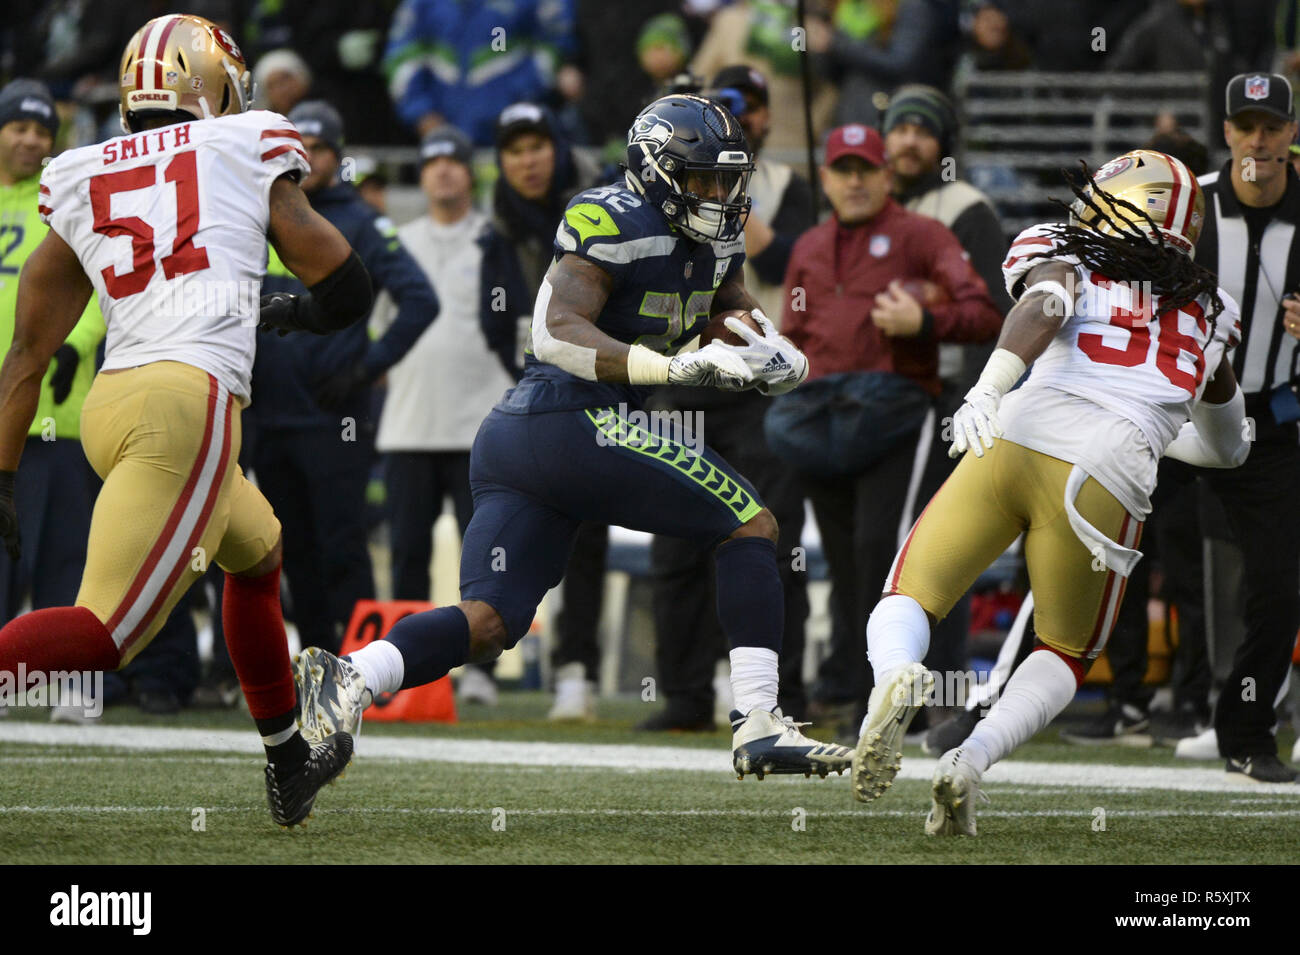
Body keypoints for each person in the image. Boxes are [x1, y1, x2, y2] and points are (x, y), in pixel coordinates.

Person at [294, 93, 856, 781]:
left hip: (523, 442)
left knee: (493, 621)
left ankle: (349, 674)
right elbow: (554, 331)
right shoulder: (609, 218)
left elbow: (729, 312)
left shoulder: (717, 239)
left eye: (726, 179)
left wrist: (773, 350)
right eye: (703, 178)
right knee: (749, 521)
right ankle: (760, 722)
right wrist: (668, 365)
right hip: (568, 419)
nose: (719, 194)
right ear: (654, 172)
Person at [0, 14, 373, 827]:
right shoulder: (244, 141)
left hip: (115, 403)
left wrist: (1, 477)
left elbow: (26, 352)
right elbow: (349, 285)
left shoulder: (80, 170)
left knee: (257, 552)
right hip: (189, 403)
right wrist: (293, 309)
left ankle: (287, 757)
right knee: (102, 639)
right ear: (213, 81)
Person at [852, 149, 1248, 834]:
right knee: (1063, 650)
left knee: (910, 592)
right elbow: (1226, 446)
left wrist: (986, 389)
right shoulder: (1213, 309)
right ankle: (969, 762)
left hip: (1017, 429)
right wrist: (1152, 430)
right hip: (1109, 468)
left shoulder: (1066, 248)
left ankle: (894, 674)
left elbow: (1049, 298)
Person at [776, 123, 1001, 743]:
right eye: (842, 170)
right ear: (824, 178)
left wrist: (924, 319)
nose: (854, 181)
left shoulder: (922, 235)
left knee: (888, 552)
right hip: (823, 416)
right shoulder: (811, 246)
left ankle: (916, 698)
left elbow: (985, 313)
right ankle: (866, 698)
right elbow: (793, 335)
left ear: (885, 176)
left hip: (898, 415)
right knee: (848, 566)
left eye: (865, 169)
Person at [640, 65, 816, 730]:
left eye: (752, 105)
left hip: (756, 385)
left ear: (768, 116)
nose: (743, 113)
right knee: (676, 543)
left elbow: (782, 267)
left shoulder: (789, 187)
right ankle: (684, 693)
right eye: (724, 103)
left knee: (774, 537)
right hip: (687, 376)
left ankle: (783, 691)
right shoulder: (675, 171)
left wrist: (729, 198)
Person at [251, 100, 438, 655]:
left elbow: (420, 301)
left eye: (320, 149)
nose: (307, 162)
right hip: (270, 414)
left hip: (335, 417)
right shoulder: (256, 216)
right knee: (291, 553)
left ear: (337, 155)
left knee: (342, 547)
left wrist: (365, 369)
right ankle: (313, 662)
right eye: (298, 149)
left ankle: (362, 670)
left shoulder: (359, 219)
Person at [1173, 72, 1300, 779]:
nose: (1258, 138)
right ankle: (1003, 698)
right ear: (1225, 131)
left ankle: (1249, 734)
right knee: (1086, 536)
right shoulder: (1187, 203)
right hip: (1172, 411)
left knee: (1280, 586)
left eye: (1272, 125)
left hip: (1269, 424)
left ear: (1290, 134)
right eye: (1245, 124)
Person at [376, 125, 514, 635]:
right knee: (407, 551)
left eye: (453, 160)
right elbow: (378, 327)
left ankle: (478, 667)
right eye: (432, 162)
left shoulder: (495, 242)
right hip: (408, 425)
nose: (443, 169)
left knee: (480, 556)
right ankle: (402, 669)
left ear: (469, 172)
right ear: (422, 174)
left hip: (482, 427)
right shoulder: (396, 242)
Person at [0, 79, 104, 625]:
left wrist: (74, 346)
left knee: (65, 556)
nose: (31, 141)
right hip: (2, 413)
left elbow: (95, 285)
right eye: (19, 127)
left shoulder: (65, 200)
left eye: (43, 131)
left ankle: (69, 686)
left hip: (59, 415)